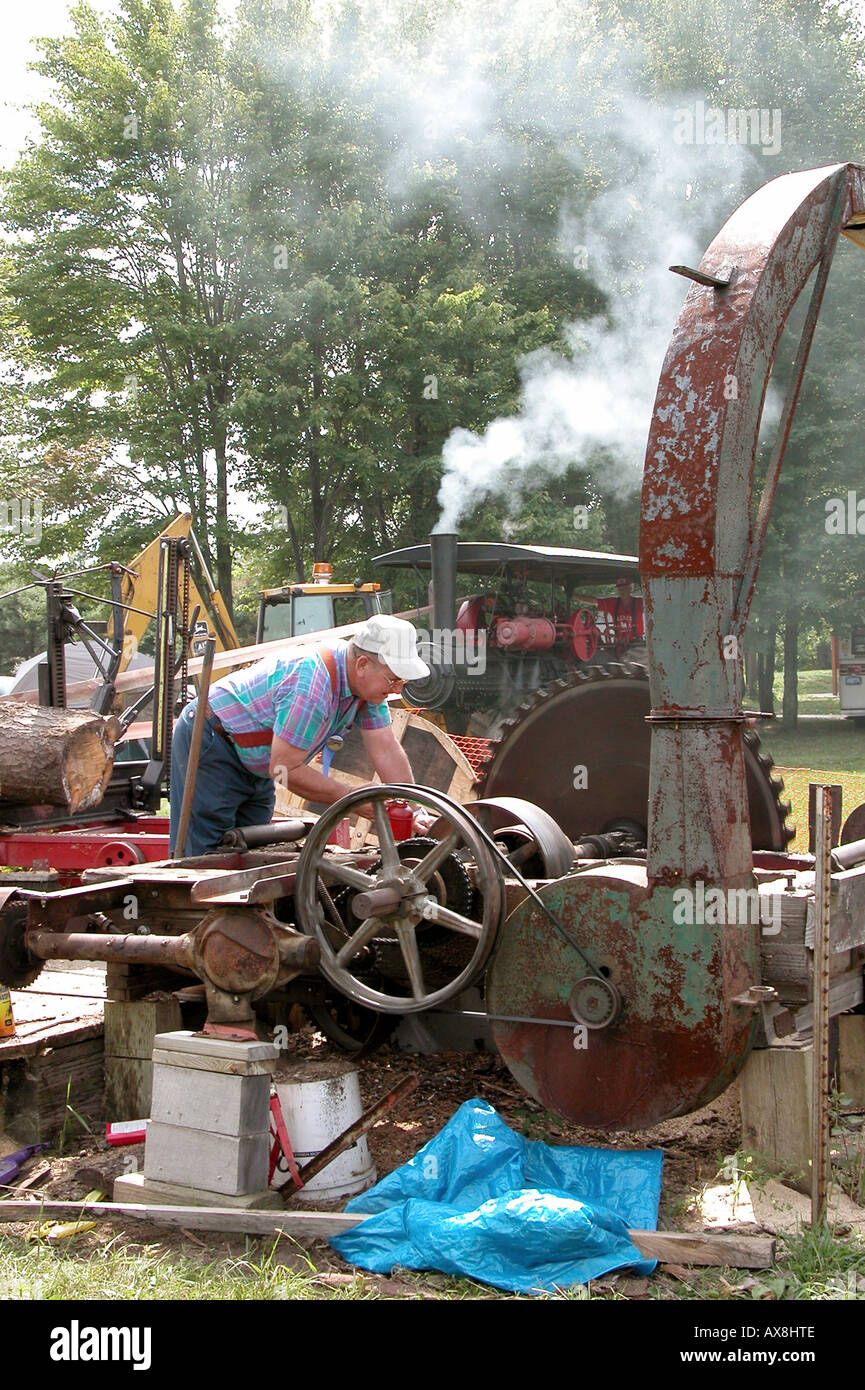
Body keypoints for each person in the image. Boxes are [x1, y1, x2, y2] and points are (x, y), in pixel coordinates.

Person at [169, 614, 431, 856]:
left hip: (256, 763)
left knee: (248, 850)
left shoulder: (368, 689)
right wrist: (352, 799)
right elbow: (286, 769)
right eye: (393, 680)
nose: (396, 688)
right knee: (204, 858)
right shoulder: (312, 683)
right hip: (212, 741)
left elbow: (385, 748)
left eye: (402, 682)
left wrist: (416, 808)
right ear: (362, 664)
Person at [595, 576, 644, 654]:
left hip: (637, 642)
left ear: (629, 588)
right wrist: (573, 596)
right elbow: (594, 601)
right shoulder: (613, 603)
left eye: (624, 587)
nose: (622, 590)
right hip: (619, 642)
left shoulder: (640, 602)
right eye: (620, 588)